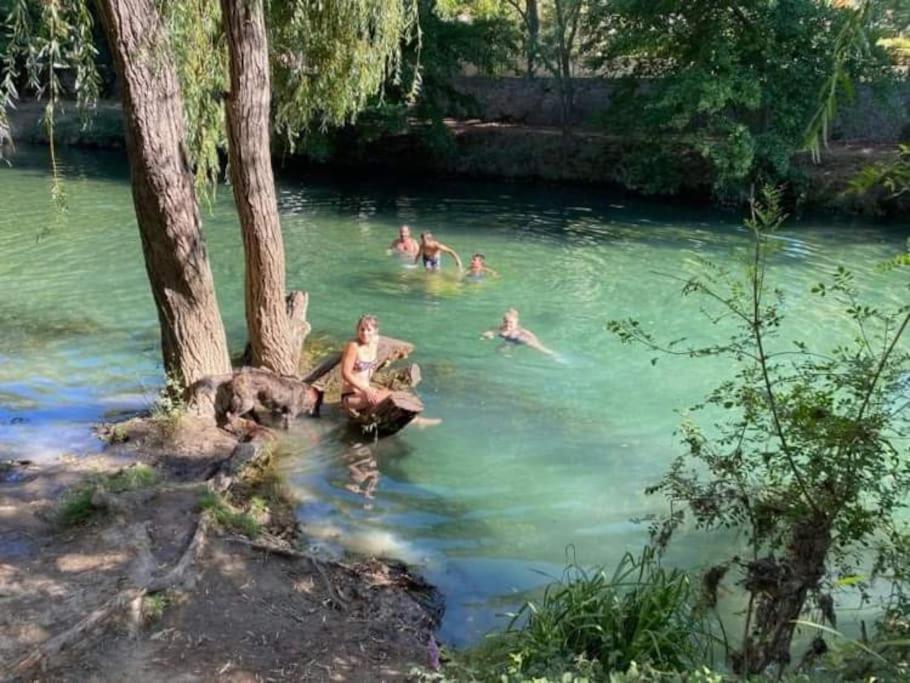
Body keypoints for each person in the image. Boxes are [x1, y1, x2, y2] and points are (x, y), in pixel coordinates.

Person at [341, 314, 391, 413]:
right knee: (383, 400)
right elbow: (345, 374)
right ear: (357, 330)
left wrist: (389, 358)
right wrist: (366, 389)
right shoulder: (353, 346)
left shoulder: (375, 341)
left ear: (375, 331)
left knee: (396, 395)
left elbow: (389, 342)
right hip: (351, 395)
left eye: (369, 330)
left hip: (367, 392)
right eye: (362, 329)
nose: (365, 333)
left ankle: (418, 421)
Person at [482, 308, 556, 357]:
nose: (508, 324)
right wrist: (488, 335)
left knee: (541, 349)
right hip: (509, 340)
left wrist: (532, 341)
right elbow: (490, 332)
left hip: (520, 339)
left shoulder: (521, 333)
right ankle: (508, 351)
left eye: (511, 322)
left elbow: (531, 338)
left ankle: (555, 356)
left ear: (516, 322)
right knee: (499, 350)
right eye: (506, 322)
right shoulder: (501, 328)